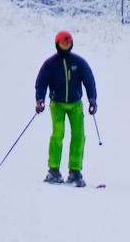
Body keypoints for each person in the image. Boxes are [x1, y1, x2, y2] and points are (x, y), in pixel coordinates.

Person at [31, 30, 98, 186]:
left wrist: (92, 99)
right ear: (57, 45)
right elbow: (41, 83)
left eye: (68, 43)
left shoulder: (79, 63)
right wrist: (39, 100)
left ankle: (75, 171)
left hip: (75, 104)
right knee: (58, 134)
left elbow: (89, 80)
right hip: (57, 104)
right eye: (63, 43)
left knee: (79, 135)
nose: (65, 46)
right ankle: (53, 170)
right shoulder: (50, 64)